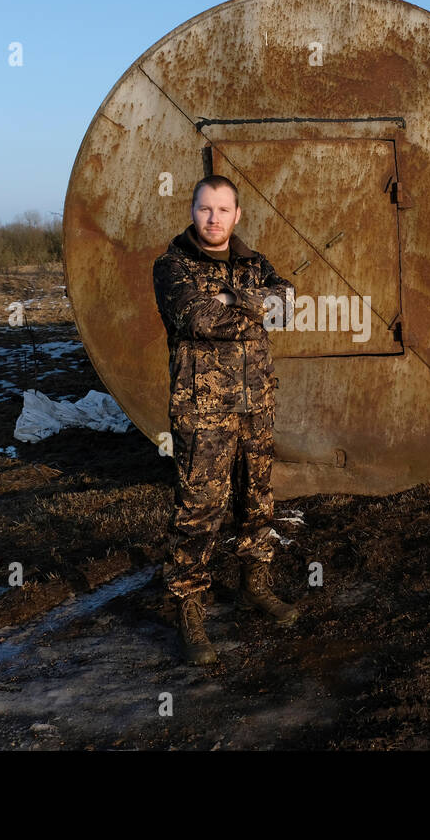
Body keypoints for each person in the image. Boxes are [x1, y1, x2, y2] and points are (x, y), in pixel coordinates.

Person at [151, 174, 298, 665]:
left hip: (256, 404)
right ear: (192, 212)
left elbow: (287, 308)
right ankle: (188, 605)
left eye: (223, 210)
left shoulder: (254, 264)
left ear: (237, 215)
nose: (213, 218)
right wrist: (255, 306)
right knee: (199, 512)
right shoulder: (173, 266)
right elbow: (197, 319)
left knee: (258, 500)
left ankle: (255, 583)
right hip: (203, 411)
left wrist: (234, 299)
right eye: (204, 209)